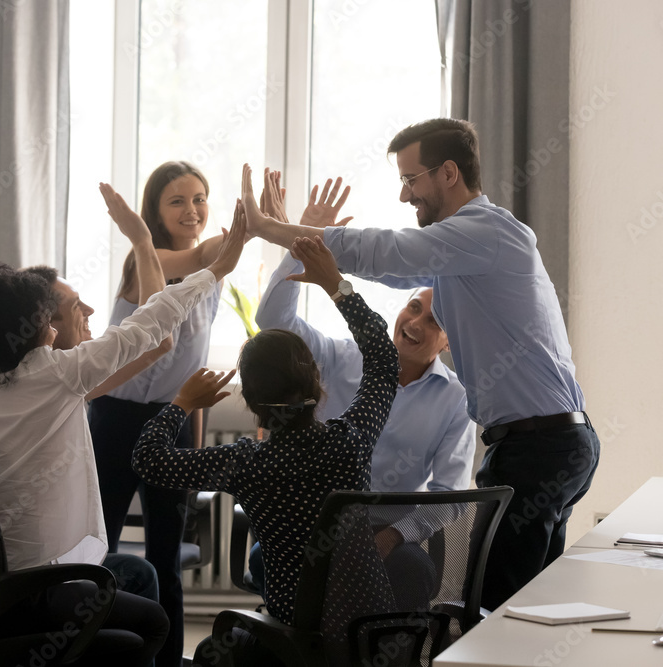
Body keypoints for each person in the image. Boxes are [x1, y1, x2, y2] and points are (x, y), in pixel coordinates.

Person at [240, 118, 601, 611]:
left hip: (539, 446)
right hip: (546, 444)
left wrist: (273, 230)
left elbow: (385, 249)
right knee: (521, 609)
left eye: (411, 179)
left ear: (448, 172)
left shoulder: (486, 232)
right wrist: (304, 245)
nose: (406, 195)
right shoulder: (461, 257)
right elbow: (390, 266)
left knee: (497, 610)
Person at [0, 182, 247, 665]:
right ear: (24, 331)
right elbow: (150, 323)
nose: (56, 328)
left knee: (139, 575)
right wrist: (215, 269)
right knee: (149, 622)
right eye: (47, 322)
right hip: (27, 590)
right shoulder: (54, 376)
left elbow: (150, 334)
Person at [131, 235, 399, 666]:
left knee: (207, 654)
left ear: (252, 404)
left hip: (292, 634)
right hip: (367, 627)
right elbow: (385, 360)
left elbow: (147, 458)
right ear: (316, 380)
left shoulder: (244, 462)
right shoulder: (350, 442)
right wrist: (337, 286)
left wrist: (181, 404)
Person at [247, 171, 476, 605]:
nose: (414, 323)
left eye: (434, 321)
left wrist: (394, 535)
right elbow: (273, 322)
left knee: (414, 573)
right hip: (314, 524)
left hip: (385, 535)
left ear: (450, 340)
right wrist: (302, 246)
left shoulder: (456, 399)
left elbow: (449, 496)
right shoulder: (342, 357)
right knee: (266, 560)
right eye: (413, 308)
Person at [88, 161, 246, 667]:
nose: (192, 209)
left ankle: (166, 660)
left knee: (166, 558)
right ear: (155, 211)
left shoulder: (209, 274)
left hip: (173, 421)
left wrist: (253, 225)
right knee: (100, 547)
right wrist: (135, 232)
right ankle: (99, 652)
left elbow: (215, 256)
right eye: (177, 200)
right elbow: (198, 260)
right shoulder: (145, 259)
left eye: (200, 198)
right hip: (114, 419)